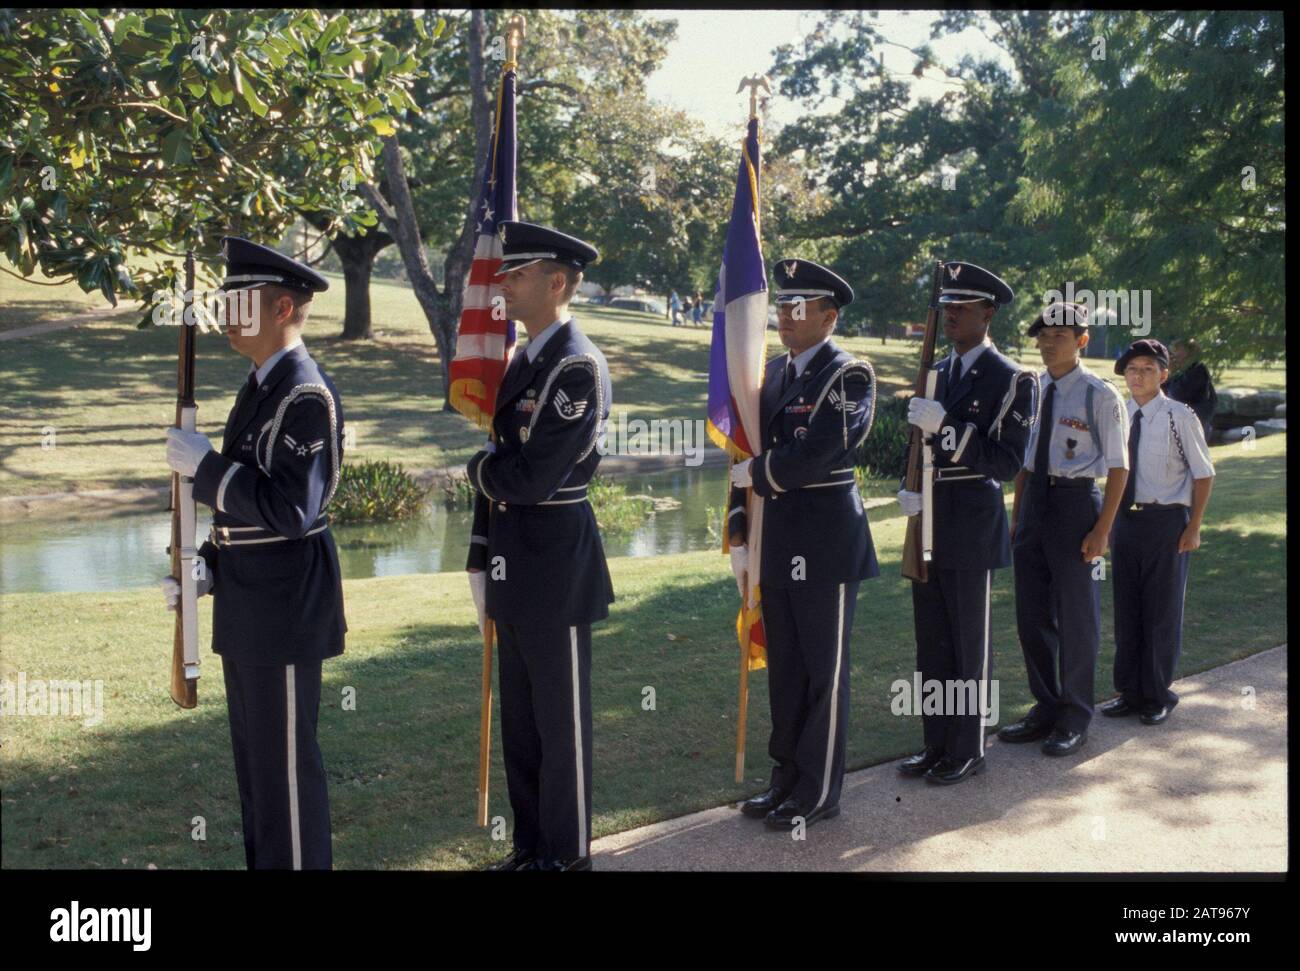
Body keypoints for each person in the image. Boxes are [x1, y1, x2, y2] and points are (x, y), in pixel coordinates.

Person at [162, 236, 346, 869]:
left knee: (287, 777)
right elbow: (250, 512)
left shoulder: (304, 394)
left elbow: (294, 510)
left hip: (287, 607)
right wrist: (206, 571)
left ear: (282, 308)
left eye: (239, 299)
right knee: (259, 775)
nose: (225, 310)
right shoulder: (262, 385)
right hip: (248, 602)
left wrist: (210, 472)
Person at [467, 221, 613, 872]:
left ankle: (567, 853)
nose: (504, 282)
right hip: (515, 557)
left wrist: (476, 470)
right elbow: (510, 463)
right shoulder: (527, 358)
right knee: (521, 725)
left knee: (561, 722)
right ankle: (530, 849)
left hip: (555, 560)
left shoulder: (575, 365)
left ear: (555, 282)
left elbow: (530, 476)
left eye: (516, 273)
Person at [726, 258, 879, 831]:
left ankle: (818, 790)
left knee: (824, 671)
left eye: (798, 307)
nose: (785, 316)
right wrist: (740, 529)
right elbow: (745, 453)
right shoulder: (772, 374)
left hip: (826, 540)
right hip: (778, 537)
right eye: (782, 305)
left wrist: (760, 473)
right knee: (786, 668)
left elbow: (821, 451)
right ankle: (785, 777)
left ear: (828, 316)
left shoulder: (849, 375)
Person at [895, 262, 1037, 784]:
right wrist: (911, 485)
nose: (951, 314)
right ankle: (936, 743)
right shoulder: (937, 371)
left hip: (971, 526)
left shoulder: (1014, 379)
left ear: (988, 312)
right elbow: (919, 447)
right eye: (947, 304)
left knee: (968, 643)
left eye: (963, 306)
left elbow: (1005, 462)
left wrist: (948, 428)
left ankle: (969, 746)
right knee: (932, 644)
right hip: (927, 521)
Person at [998, 302, 1128, 757]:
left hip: (1076, 505)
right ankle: (1046, 705)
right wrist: (1017, 516)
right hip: (1034, 502)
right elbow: (1024, 458)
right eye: (1043, 336)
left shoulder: (1099, 395)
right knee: (1031, 617)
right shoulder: (1031, 390)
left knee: (1076, 618)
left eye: (1059, 336)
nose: (1048, 344)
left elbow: (1118, 467)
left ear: (1082, 340)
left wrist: (1103, 530)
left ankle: (1075, 715)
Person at [1102, 339, 1215, 725]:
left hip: (1166, 523)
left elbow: (1204, 475)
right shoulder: (1120, 414)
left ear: (1164, 375)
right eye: (1132, 369)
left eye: (1148, 368)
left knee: (1161, 612)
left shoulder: (1179, 416)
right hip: (1125, 524)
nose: (1138, 375)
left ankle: (1157, 694)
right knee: (1128, 609)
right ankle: (1129, 691)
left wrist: (1194, 527)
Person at [1162, 337, 1217, 440]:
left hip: (1193, 425)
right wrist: (1168, 373)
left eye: (1178, 350)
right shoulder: (1183, 373)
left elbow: (1177, 394)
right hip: (1182, 424)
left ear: (1189, 351)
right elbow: (1162, 392)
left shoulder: (1198, 370)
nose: (1175, 354)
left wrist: (1172, 372)